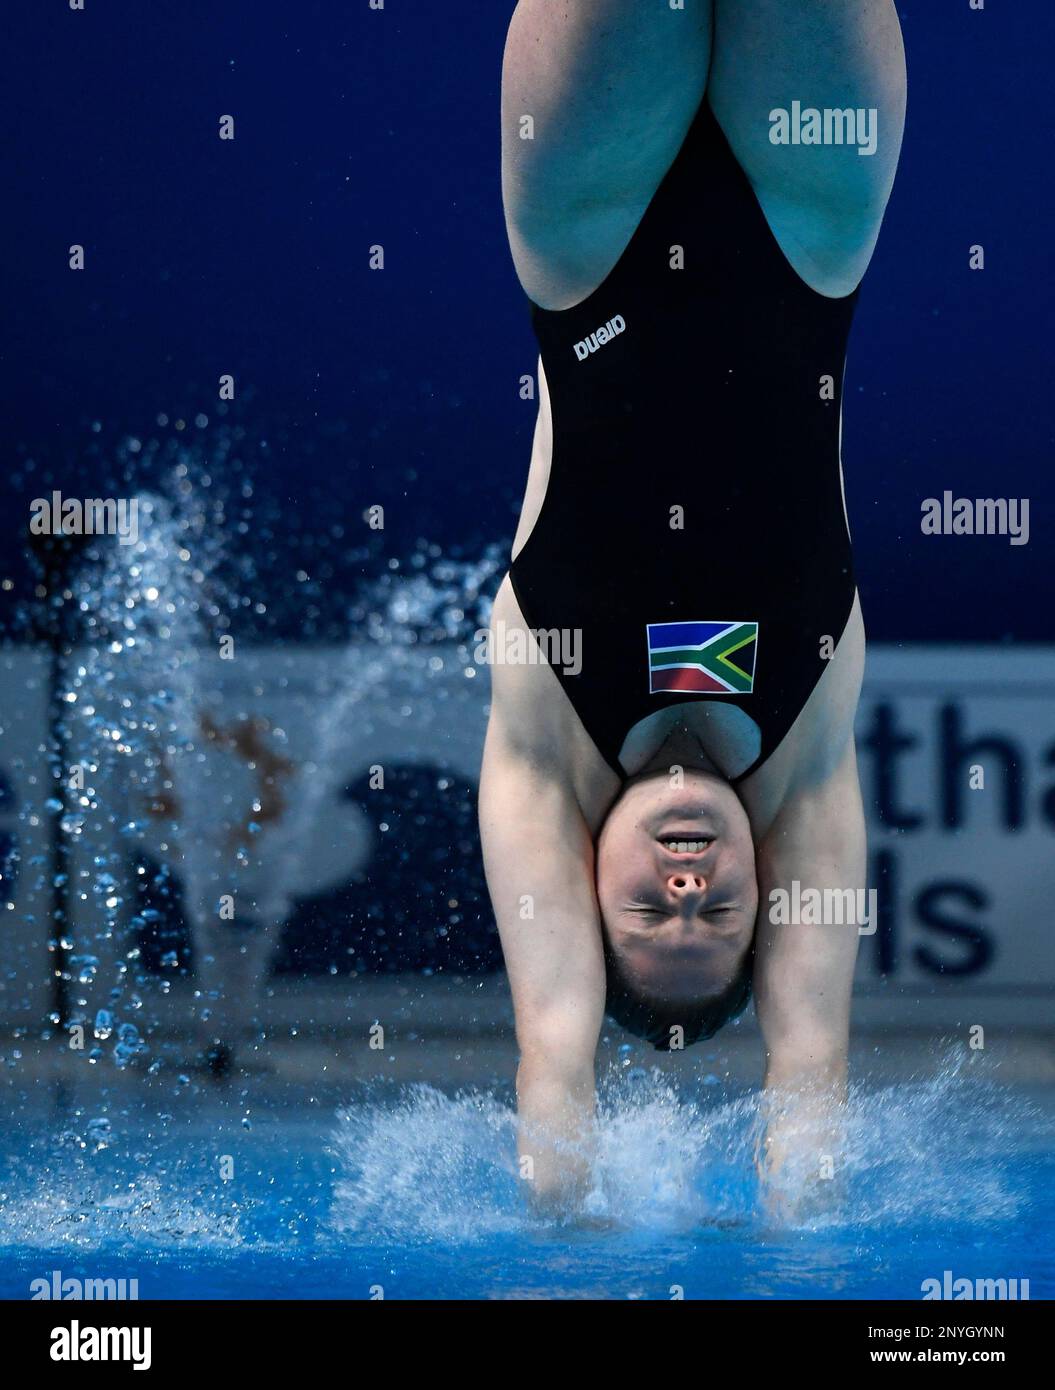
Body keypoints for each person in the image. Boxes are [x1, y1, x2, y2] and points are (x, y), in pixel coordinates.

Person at [479, 0, 906, 1207]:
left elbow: (555, 1051)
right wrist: (795, 1245)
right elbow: (809, 1064)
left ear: (581, 885)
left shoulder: (539, 755)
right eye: (716, 912)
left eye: (647, 911)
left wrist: (564, 1252)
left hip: (585, 234)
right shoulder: (807, 770)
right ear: (766, 890)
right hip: (808, 231)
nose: (685, 882)